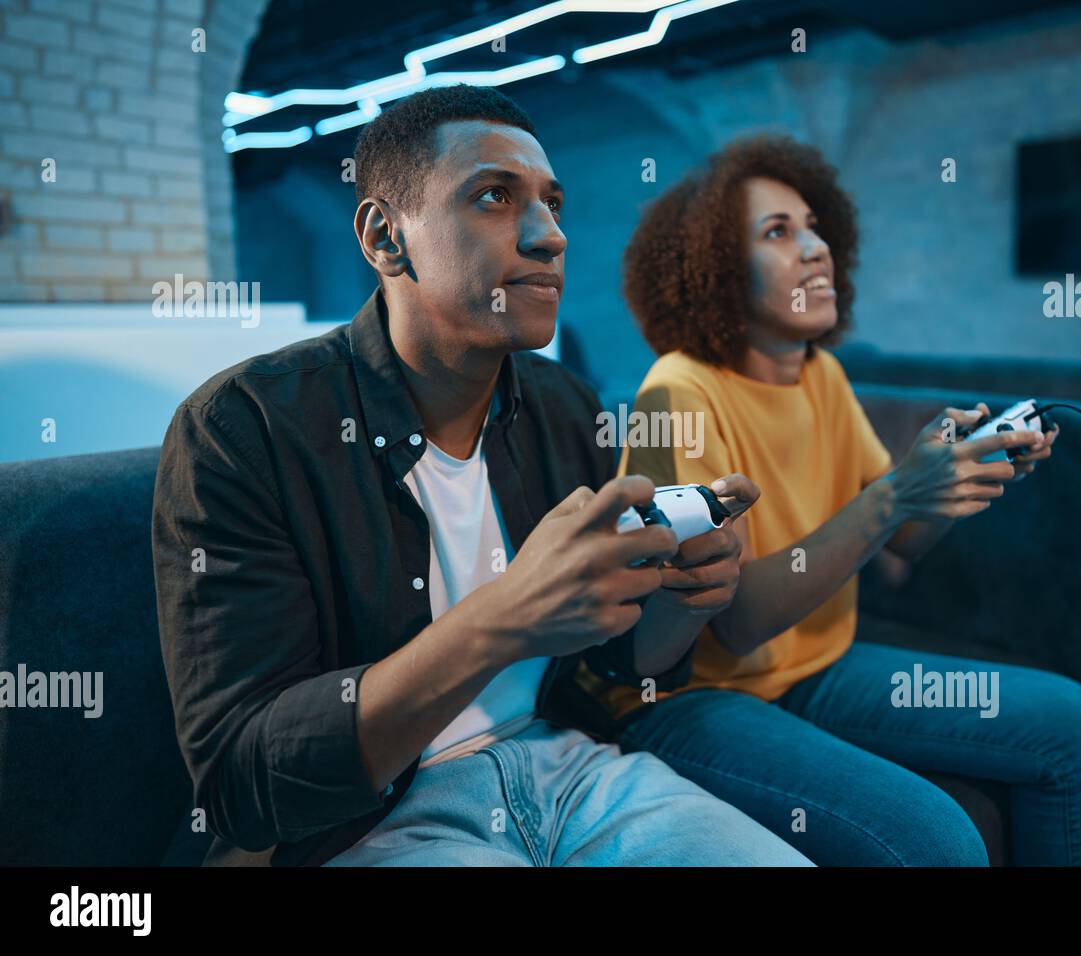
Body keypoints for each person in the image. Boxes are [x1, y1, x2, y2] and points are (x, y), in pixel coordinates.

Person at [152, 87, 811, 867]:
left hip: (568, 767)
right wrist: (504, 617)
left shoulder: (565, 406)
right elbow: (245, 780)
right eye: (495, 197)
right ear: (385, 236)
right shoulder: (243, 429)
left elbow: (616, 664)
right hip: (375, 819)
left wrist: (680, 601)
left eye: (553, 202)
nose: (550, 236)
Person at [578, 135, 1081, 866]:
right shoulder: (680, 390)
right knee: (939, 839)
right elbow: (736, 624)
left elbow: (896, 548)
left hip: (819, 668)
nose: (816, 248)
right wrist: (897, 495)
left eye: (814, 226)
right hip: (694, 699)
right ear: (719, 273)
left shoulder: (821, 374)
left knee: (1078, 724)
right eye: (778, 232)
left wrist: (958, 474)